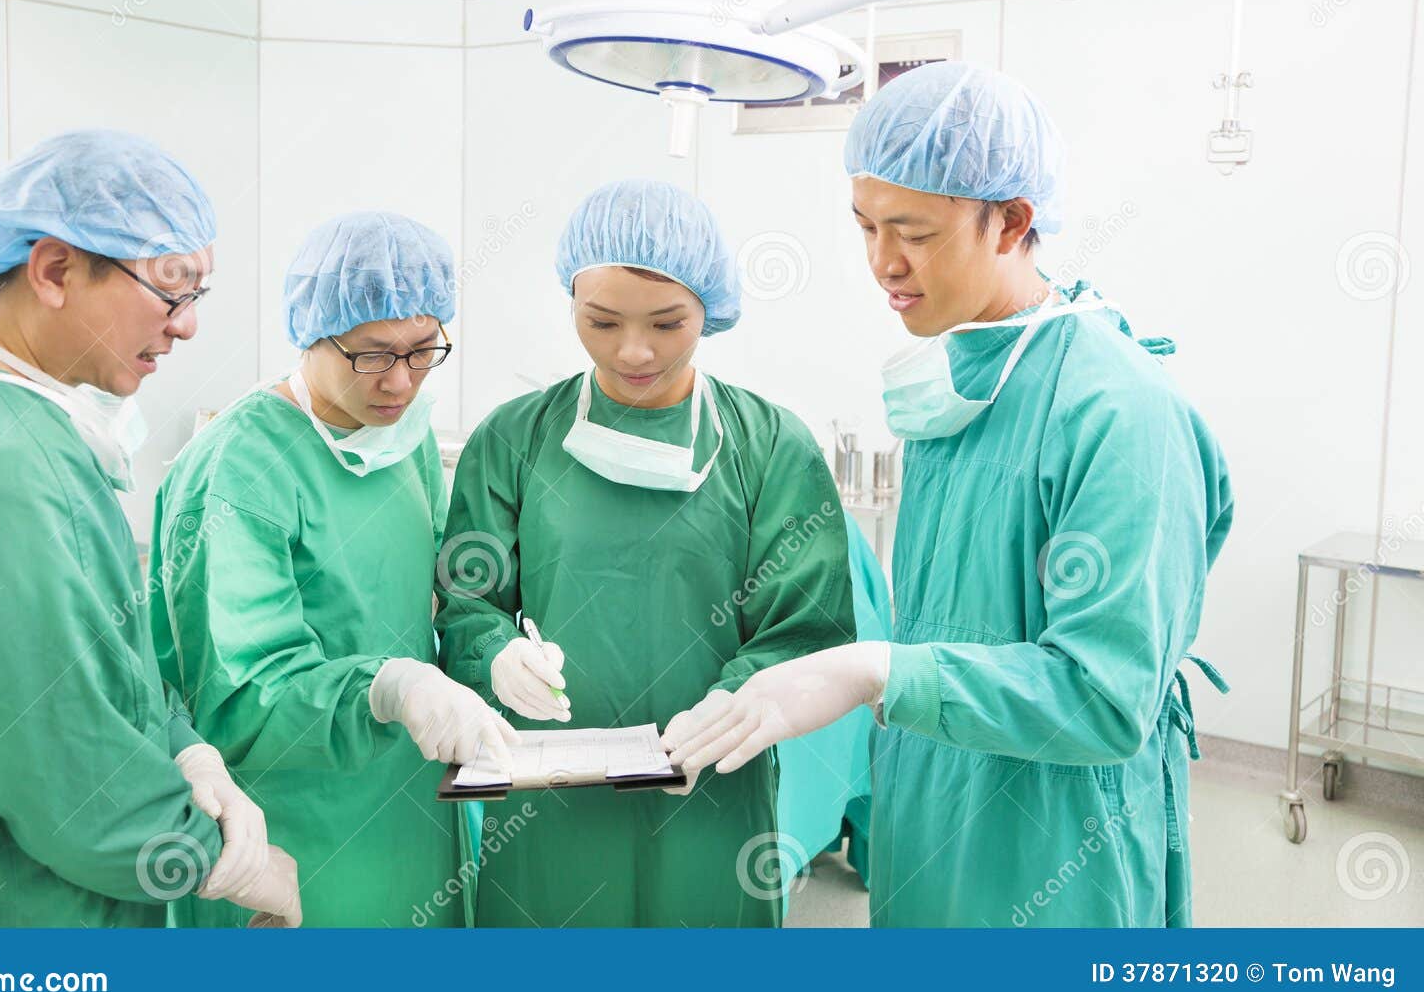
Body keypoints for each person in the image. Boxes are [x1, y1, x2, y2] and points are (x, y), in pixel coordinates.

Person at [666, 61, 1234, 928]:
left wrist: (878, 670)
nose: (882, 263)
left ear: (1012, 221)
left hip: (1055, 850)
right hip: (933, 811)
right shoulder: (961, 384)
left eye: (914, 232)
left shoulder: (1120, 413)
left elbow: (1105, 697)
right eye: (864, 226)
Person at [0, 130, 299, 926]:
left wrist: (183, 743)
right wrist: (238, 863)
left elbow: (80, 667)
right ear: (53, 270)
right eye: (171, 291)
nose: (185, 328)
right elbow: (74, 784)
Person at [436, 179, 855, 927]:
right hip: (549, 801)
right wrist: (494, 652)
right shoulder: (511, 440)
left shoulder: (770, 448)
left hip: (714, 794)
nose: (633, 350)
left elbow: (806, 628)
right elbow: (470, 603)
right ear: (569, 301)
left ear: (711, 310)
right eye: (600, 321)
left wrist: (736, 704)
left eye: (668, 322)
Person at [148, 211, 514, 927]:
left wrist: (498, 651)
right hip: (288, 827)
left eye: (423, 349)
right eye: (373, 353)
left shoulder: (401, 442)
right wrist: (390, 686)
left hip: (409, 812)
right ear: (314, 331)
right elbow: (240, 694)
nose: (401, 380)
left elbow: (433, 596)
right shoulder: (237, 469)